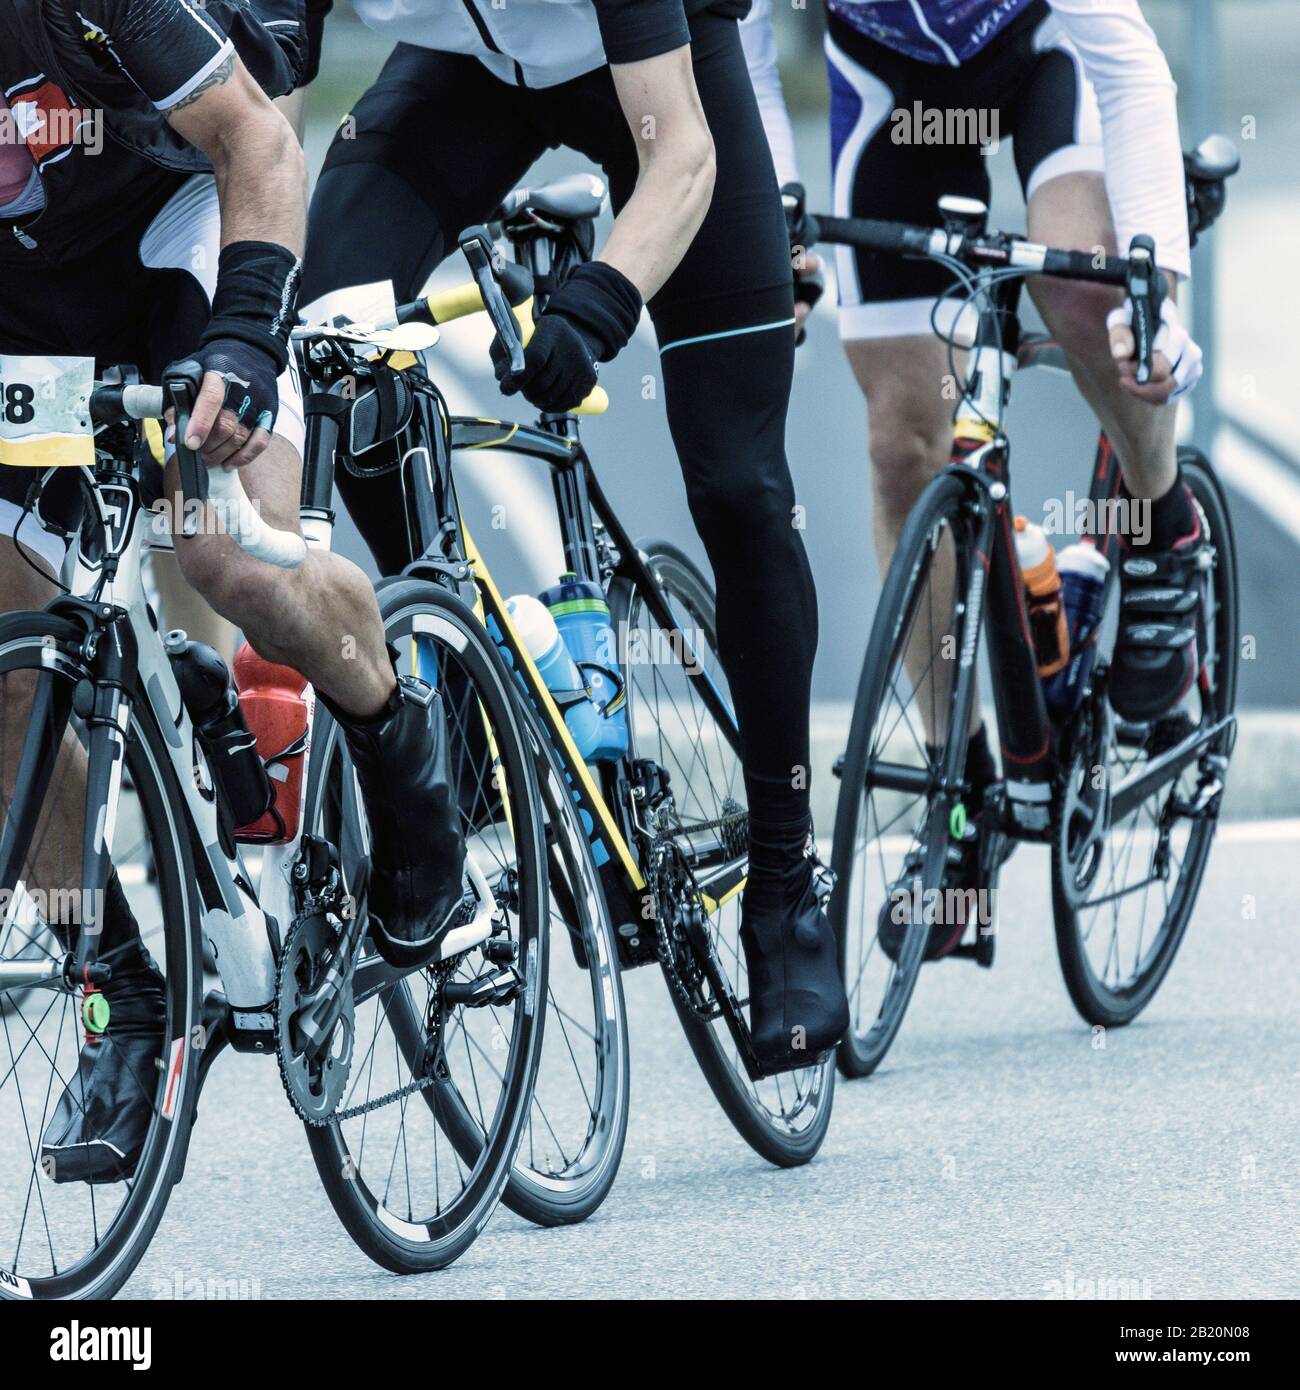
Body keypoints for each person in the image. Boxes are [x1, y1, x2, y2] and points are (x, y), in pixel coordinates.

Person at [299, 0, 850, 1073]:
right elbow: (259, 110)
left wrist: (598, 303)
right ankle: (459, 697)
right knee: (334, 335)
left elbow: (682, 156)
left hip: (662, 80)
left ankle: (784, 880)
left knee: (739, 485)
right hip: (462, 77)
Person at [0, 0, 464, 1183]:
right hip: (27, 306)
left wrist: (249, 339)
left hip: (180, 227)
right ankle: (120, 995)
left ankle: (397, 748)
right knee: (3, 668)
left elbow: (257, 142)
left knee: (227, 545)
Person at [748, 0, 1204, 958]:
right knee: (901, 446)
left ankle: (1165, 530)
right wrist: (779, 209)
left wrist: (1158, 292)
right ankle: (957, 796)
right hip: (888, 84)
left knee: (1081, 291)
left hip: (1047, 55)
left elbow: (1127, 68)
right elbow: (737, 49)